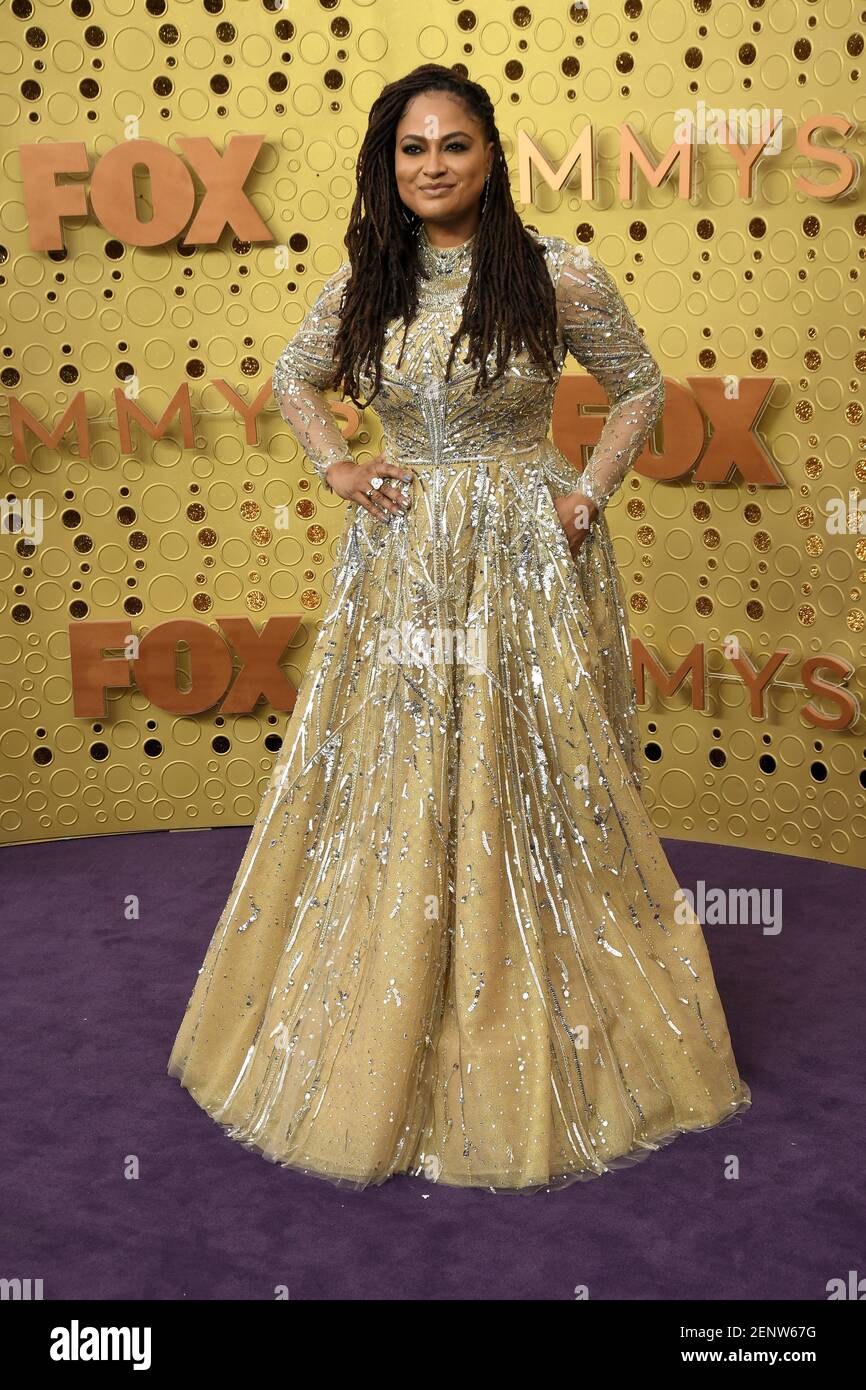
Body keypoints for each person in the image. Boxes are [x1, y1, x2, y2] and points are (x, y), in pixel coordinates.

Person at [167, 64, 751, 1192]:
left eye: (453, 145)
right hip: (402, 563)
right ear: (389, 165)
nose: (431, 164)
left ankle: (526, 986)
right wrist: (338, 465)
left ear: (491, 157)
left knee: (532, 769)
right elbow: (293, 379)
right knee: (400, 765)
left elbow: (636, 383)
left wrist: (587, 491)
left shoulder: (554, 273)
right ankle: (395, 989)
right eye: (410, 148)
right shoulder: (367, 283)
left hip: (526, 557)